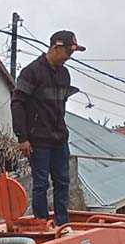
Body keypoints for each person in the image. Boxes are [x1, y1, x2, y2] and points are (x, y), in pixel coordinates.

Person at [10, 30, 86, 226]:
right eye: (68, 52)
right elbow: (17, 103)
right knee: (41, 184)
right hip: (38, 140)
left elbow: (60, 106)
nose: (69, 58)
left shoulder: (64, 74)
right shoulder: (31, 72)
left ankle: (62, 223)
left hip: (59, 139)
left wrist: (62, 132)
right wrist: (22, 138)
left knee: (63, 182)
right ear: (56, 47)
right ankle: (42, 222)